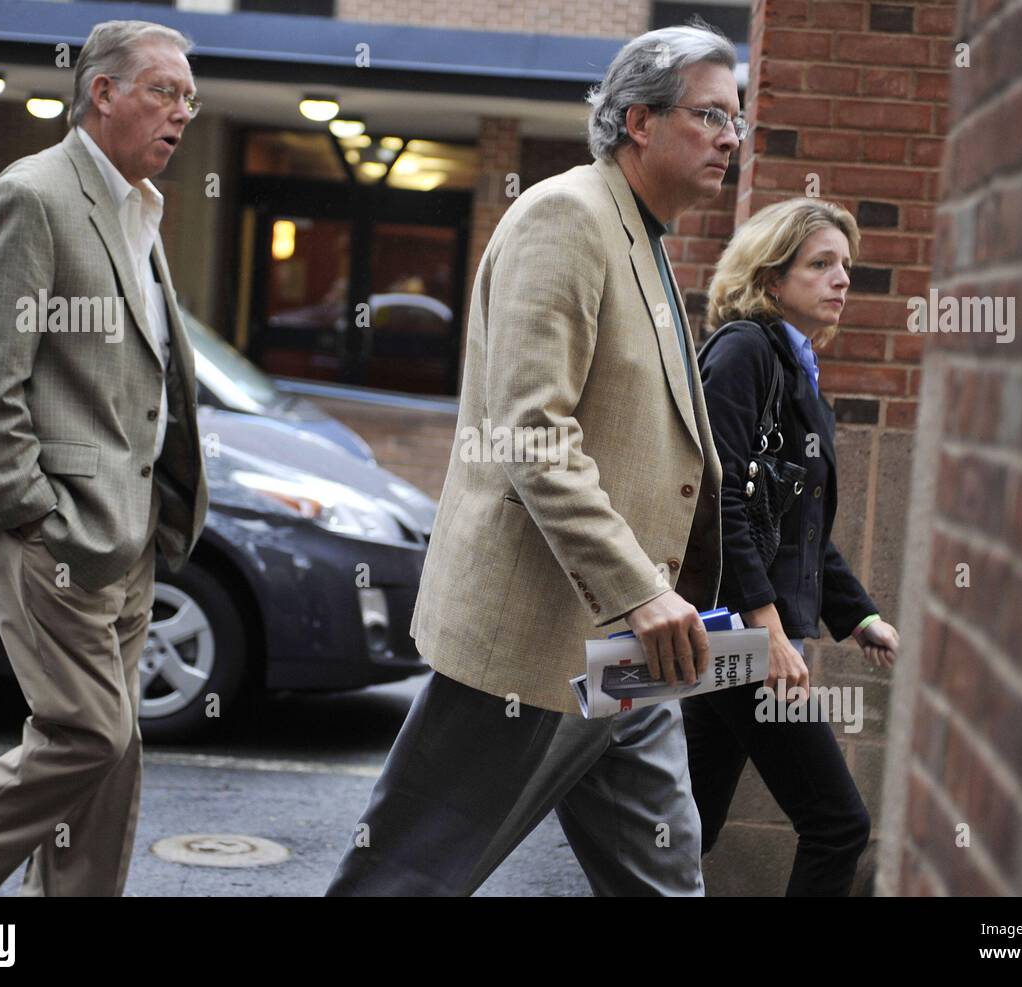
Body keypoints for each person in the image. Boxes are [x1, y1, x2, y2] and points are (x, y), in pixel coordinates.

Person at [327, 21, 743, 896]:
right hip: (535, 637)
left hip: (627, 656)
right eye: (711, 116)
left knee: (666, 880)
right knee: (404, 877)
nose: (731, 139)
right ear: (639, 119)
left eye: (735, 121)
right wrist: (640, 587)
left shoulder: (647, 236)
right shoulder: (567, 217)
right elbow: (532, 435)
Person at [0, 19, 208, 897]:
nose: (182, 115)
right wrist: (34, 516)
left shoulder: (140, 208)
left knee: (113, 750)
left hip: (130, 530)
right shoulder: (33, 195)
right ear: (101, 93)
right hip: (50, 533)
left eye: (190, 99)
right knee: (89, 733)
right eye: (164, 92)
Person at [682, 197, 900, 896]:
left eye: (846, 265)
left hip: (735, 634)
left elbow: (798, 523)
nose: (842, 279)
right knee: (837, 823)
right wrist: (767, 624)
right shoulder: (747, 351)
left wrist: (858, 614)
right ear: (773, 278)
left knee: (687, 827)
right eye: (821, 264)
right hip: (736, 635)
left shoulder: (795, 367)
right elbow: (718, 498)